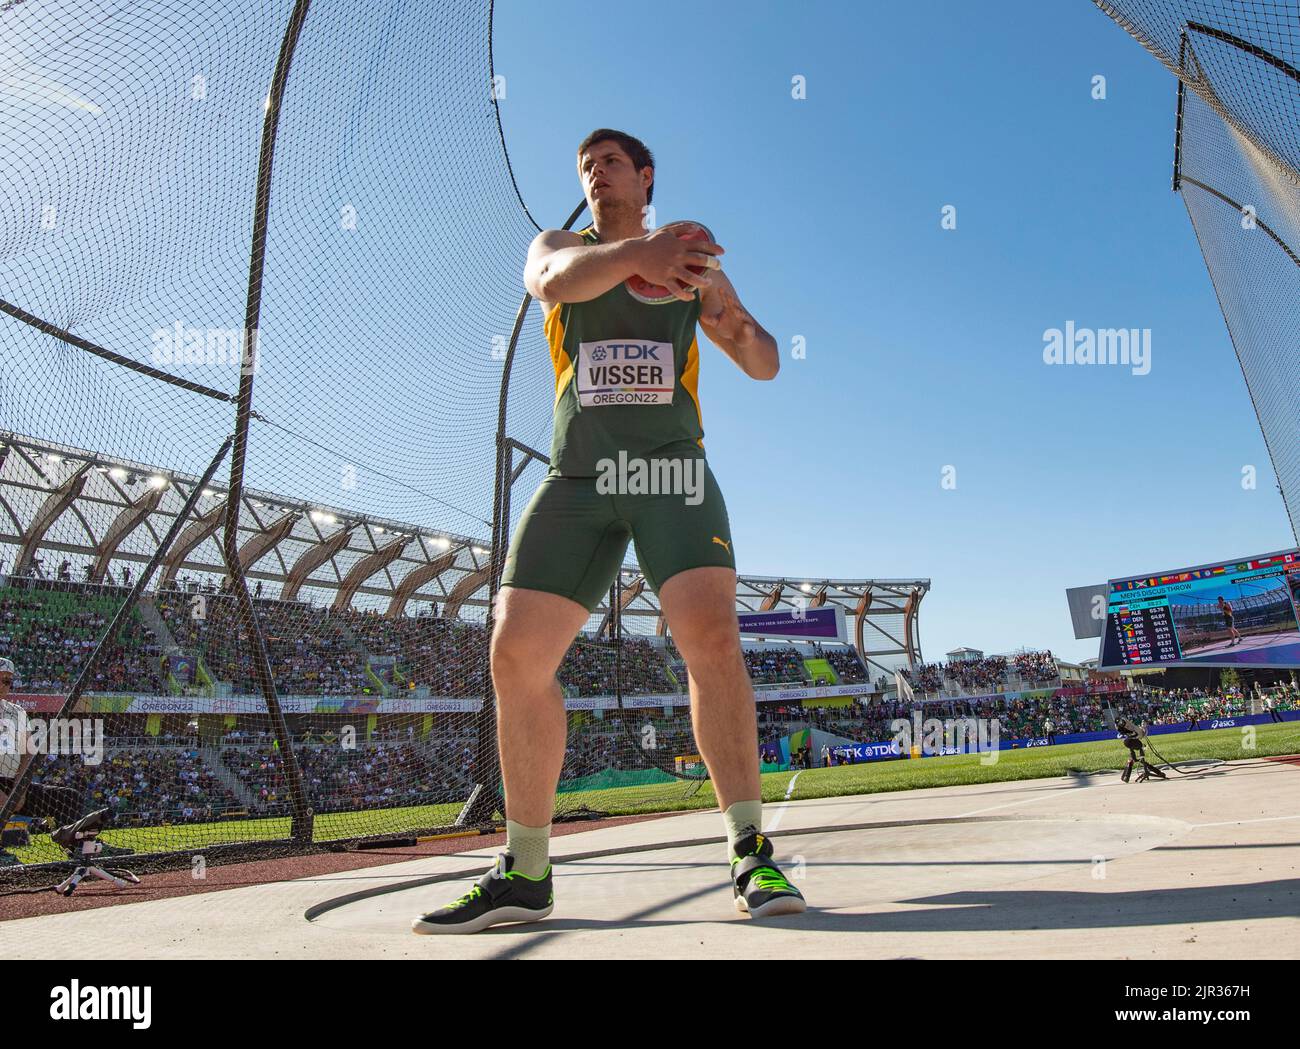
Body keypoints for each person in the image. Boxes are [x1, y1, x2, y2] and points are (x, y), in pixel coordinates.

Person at [413, 129, 801, 934]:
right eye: (586, 167)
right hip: (581, 477)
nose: (595, 174)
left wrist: (728, 312)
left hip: (669, 472)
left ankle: (749, 847)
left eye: (610, 163)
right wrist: (641, 259)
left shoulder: (689, 262)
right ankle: (525, 868)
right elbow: (550, 280)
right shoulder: (562, 246)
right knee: (514, 653)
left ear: (645, 175)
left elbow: (761, 362)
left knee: (710, 636)